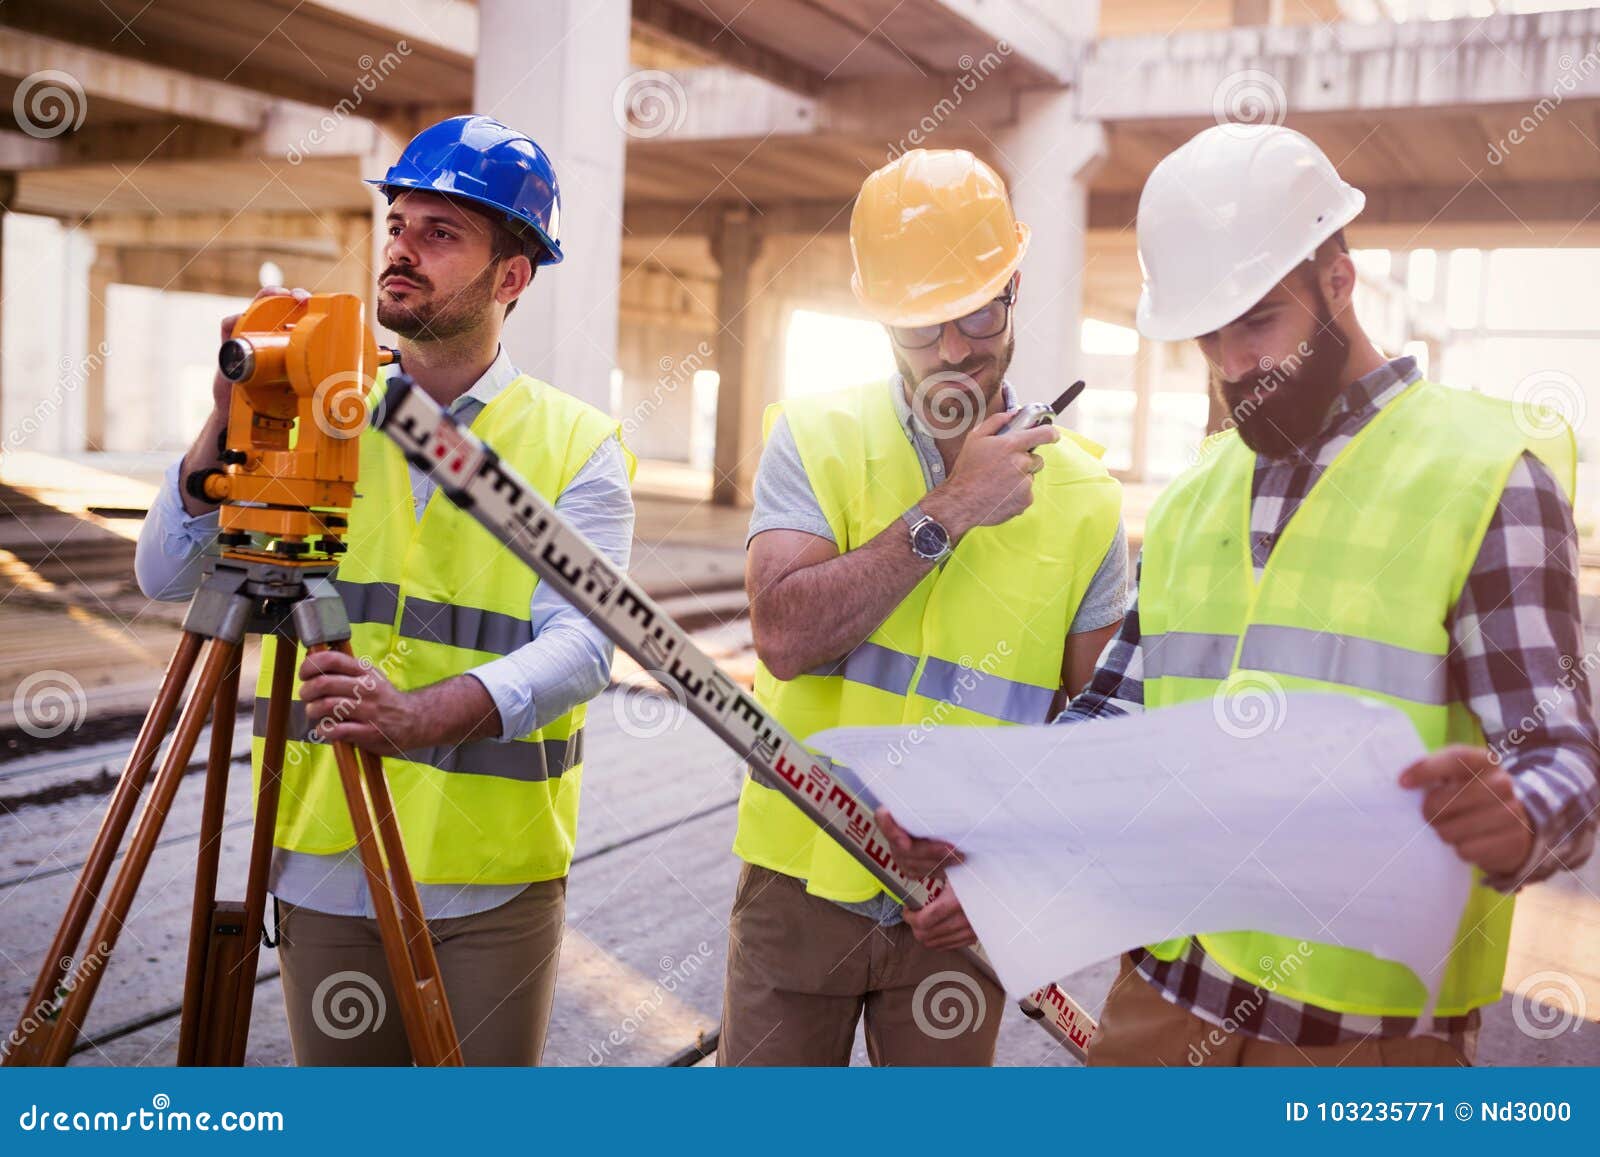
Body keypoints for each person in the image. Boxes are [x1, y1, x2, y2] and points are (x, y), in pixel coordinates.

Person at [883, 123, 1599, 1066]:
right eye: (1207, 336)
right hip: (1164, 1007)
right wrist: (992, 822)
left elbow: (1564, 763)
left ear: (1338, 282)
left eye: (1257, 322)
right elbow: (1115, 715)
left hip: (1361, 1045)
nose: (1231, 364)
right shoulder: (1194, 496)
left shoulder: (1487, 478)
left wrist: (1519, 822)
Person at [134, 115, 636, 1065]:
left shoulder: (577, 446)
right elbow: (163, 572)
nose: (402, 250)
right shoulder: (315, 402)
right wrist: (225, 419)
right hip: (325, 865)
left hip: (491, 885)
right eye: (399, 225)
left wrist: (423, 714)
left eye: (441, 234)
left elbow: (584, 649)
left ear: (512, 277)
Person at [719, 148, 1127, 1066]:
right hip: (803, 879)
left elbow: (1100, 734)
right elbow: (785, 637)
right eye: (919, 325)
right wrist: (950, 509)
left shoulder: (1087, 495)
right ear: (879, 318)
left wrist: (1017, 874)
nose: (952, 349)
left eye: (978, 312)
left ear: (1015, 287)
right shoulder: (813, 436)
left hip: (964, 908)